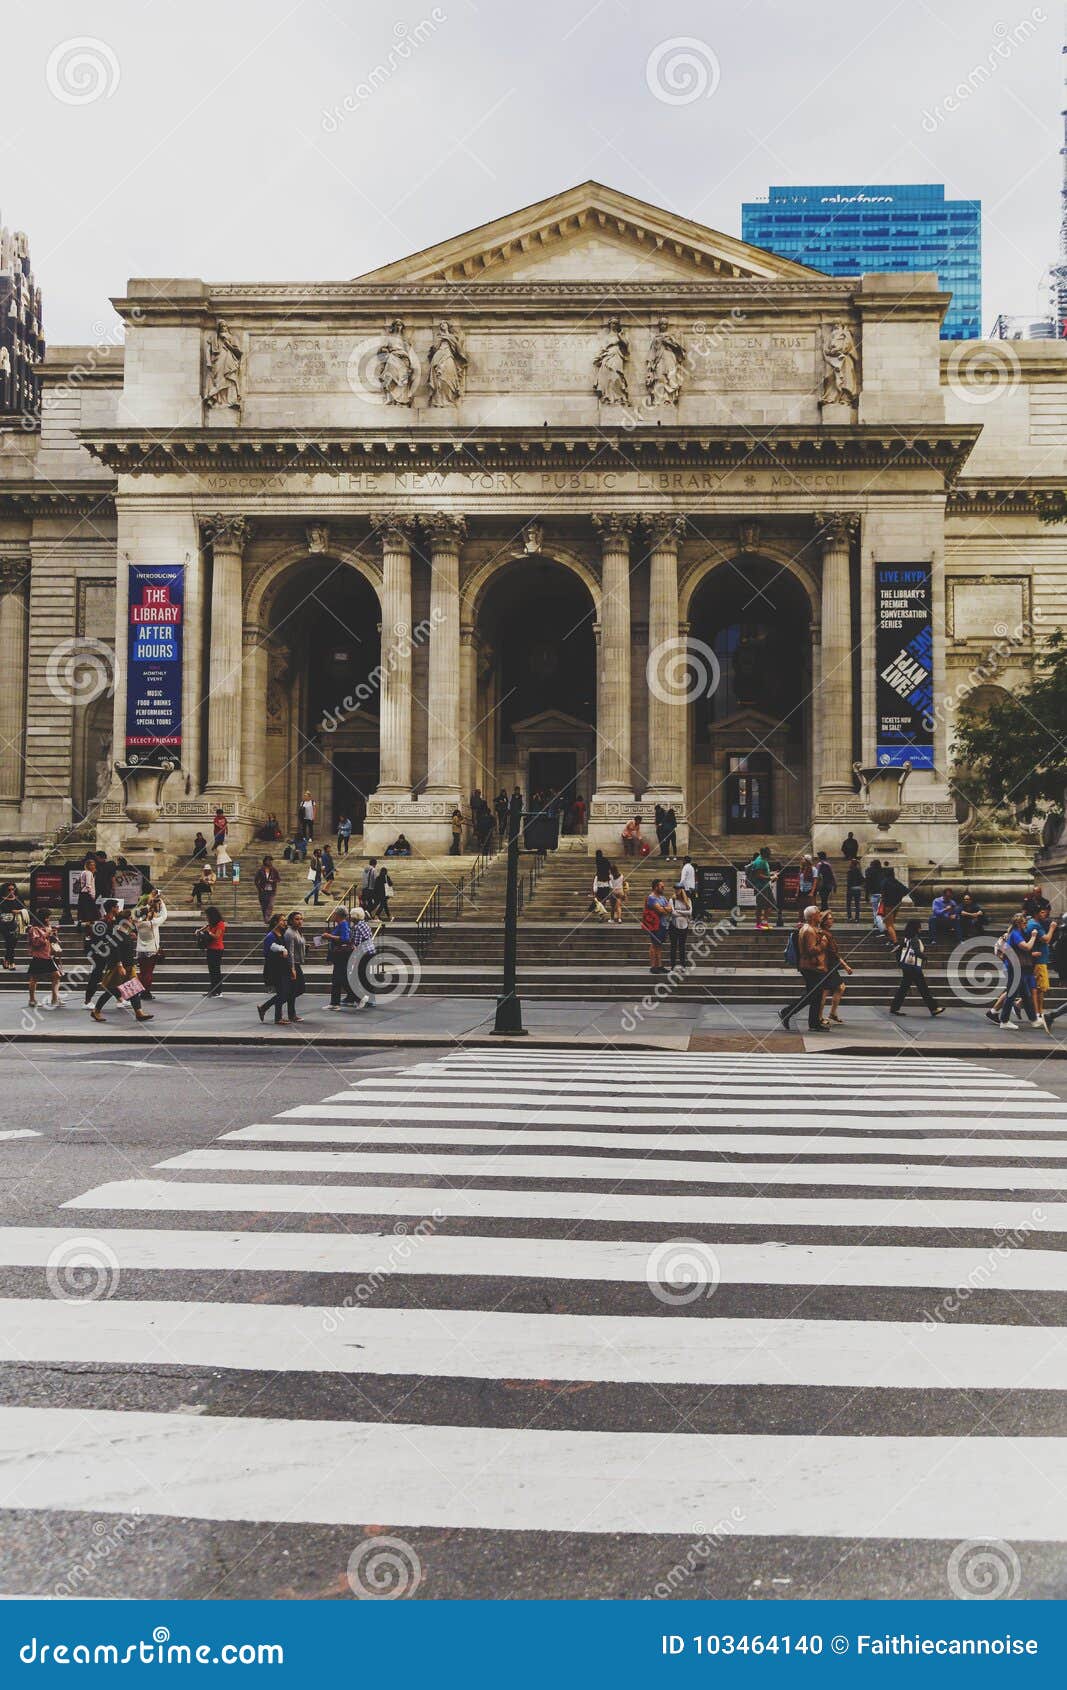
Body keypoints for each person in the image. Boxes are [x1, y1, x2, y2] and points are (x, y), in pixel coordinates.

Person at [90, 910, 153, 1025]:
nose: (131, 920)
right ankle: (96, 1010)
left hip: (128, 966)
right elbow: (116, 950)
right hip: (120, 967)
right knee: (112, 990)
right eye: (130, 919)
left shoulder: (125, 933)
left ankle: (139, 1012)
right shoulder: (117, 934)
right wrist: (119, 965)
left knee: (133, 990)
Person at [779, 906, 830, 1032]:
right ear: (812, 916)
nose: (820, 916)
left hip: (811, 966)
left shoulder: (810, 929)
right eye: (818, 914)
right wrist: (823, 943)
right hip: (810, 966)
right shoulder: (809, 930)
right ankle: (786, 1011)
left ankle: (814, 1023)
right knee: (813, 994)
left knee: (816, 995)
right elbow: (811, 950)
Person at [890, 920, 946, 1018]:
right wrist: (925, 957)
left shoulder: (907, 938)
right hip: (913, 967)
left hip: (907, 966)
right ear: (916, 928)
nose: (920, 928)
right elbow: (916, 952)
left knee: (904, 988)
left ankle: (894, 1008)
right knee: (923, 988)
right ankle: (934, 1008)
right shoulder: (914, 939)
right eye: (919, 926)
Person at [996, 910, 1042, 1031]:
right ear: (1018, 924)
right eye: (1024, 922)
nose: (1026, 924)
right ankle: (1004, 1020)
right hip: (1015, 968)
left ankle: (1034, 1020)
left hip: (1018, 967)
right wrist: (1033, 936)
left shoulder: (1016, 933)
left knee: (1025, 995)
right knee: (1011, 994)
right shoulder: (1015, 934)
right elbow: (1026, 947)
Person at [257, 915, 293, 1026]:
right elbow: (271, 947)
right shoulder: (270, 935)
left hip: (282, 966)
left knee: (284, 992)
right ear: (275, 922)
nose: (284, 922)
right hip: (274, 968)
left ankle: (265, 1008)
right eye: (282, 920)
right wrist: (282, 949)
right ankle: (276, 1017)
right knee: (282, 992)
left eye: (284, 920)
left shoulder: (282, 934)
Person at [820, 910, 853, 1024]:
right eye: (829, 918)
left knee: (840, 987)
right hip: (827, 966)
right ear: (824, 921)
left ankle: (832, 1013)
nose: (832, 920)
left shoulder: (827, 933)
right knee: (825, 991)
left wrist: (845, 966)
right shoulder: (825, 934)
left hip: (830, 965)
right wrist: (845, 966)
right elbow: (833, 953)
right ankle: (820, 1016)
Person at [133, 890, 167, 1000]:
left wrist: (148, 906)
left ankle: (139, 991)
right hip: (151, 950)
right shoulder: (152, 923)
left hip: (140, 950)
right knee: (148, 973)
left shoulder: (138, 924)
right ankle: (145, 992)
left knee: (142, 972)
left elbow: (136, 913)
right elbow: (164, 915)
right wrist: (161, 902)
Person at [323, 906, 359, 1008]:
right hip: (341, 955)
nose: (333, 915)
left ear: (338, 915)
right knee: (339, 978)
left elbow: (345, 939)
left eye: (334, 913)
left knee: (339, 978)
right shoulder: (342, 924)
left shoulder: (343, 924)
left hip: (342, 955)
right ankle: (337, 1002)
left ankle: (354, 997)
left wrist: (329, 936)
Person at [26, 909, 61, 1011]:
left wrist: (54, 934)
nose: (48, 919)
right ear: (43, 918)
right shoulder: (34, 929)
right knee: (34, 978)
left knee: (56, 976)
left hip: (48, 955)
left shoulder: (47, 927)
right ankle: (32, 999)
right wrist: (46, 934)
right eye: (47, 917)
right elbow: (35, 943)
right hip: (38, 956)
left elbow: (53, 941)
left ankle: (54, 999)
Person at [349, 904, 378, 1009]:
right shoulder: (364, 924)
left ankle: (369, 999)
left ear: (355, 916)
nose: (350, 917)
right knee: (362, 976)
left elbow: (357, 942)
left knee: (362, 976)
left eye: (351, 915)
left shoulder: (358, 926)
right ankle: (357, 997)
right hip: (370, 951)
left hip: (364, 953)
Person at [283, 910, 307, 1023]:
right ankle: (291, 1014)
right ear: (291, 921)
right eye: (297, 919)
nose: (299, 921)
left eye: (301, 919)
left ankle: (291, 1014)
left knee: (296, 990)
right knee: (298, 989)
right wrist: (292, 968)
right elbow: (290, 952)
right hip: (293, 965)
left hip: (297, 963)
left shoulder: (298, 931)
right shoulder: (290, 933)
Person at [642, 879, 671, 974]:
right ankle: (653, 966)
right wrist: (665, 909)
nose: (663, 888)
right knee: (654, 944)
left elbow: (670, 908)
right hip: (655, 924)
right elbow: (661, 911)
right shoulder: (651, 898)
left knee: (659, 945)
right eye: (661, 886)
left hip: (663, 924)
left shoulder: (662, 897)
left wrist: (664, 909)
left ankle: (659, 965)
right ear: (656, 887)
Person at [198, 905, 226, 998]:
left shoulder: (220, 924)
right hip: (210, 948)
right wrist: (199, 931)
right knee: (211, 971)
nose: (207, 917)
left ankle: (218, 991)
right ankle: (212, 990)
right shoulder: (211, 923)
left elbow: (217, 936)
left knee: (216, 971)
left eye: (208, 915)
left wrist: (208, 932)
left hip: (217, 949)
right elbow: (202, 929)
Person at [878, 865, 909, 947]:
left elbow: (882, 892)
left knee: (888, 924)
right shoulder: (896, 882)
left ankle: (895, 942)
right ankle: (891, 939)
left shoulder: (884, 881)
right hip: (896, 904)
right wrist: (898, 896)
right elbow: (906, 890)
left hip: (888, 905)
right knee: (891, 923)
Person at [746, 846, 774, 930]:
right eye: (769, 853)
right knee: (760, 906)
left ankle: (764, 922)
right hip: (761, 887)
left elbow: (763, 872)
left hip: (765, 886)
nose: (770, 854)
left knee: (769, 904)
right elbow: (759, 875)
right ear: (765, 853)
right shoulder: (760, 861)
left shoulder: (762, 860)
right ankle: (759, 924)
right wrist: (770, 878)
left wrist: (771, 873)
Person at [0, 882, 24, 970]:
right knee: (9, 940)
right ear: (4, 890)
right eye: (9, 890)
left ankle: (6, 959)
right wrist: (15, 911)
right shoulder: (1, 899)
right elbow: (5, 909)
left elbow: (23, 908)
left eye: (13, 889)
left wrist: (19, 911)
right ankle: (11, 962)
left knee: (13, 942)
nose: (11, 891)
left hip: (16, 923)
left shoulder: (18, 898)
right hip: (4, 923)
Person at [669, 884, 692, 971]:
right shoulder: (672, 900)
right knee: (673, 946)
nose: (676, 891)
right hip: (674, 925)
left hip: (684, 926)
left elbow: (690, 912)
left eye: (678, 889)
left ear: (682, 890)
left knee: (682, 946)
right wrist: (683, 912)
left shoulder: (688, 900)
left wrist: (678, 911)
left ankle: (683, 965)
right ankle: (673, 965)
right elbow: (672, 913)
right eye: (675, 889)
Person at [254, 856, 280, 924]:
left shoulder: (274, 870)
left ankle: (267, 918)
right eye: (268, 860)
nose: (270, 862)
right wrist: (259, 888)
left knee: (270, 904)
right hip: (263, 890)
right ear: (265, 861)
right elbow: (256, 880)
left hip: (272, 890)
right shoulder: (261, 870)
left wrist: (273, 881)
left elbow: (278, 879)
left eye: (271, 861)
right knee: (264, 905)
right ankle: (266, 918)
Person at [864, 857, 884, 931]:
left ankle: (879, 927)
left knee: (875, 911)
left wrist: (866, 895)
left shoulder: (869, 872)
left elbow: (868, 885)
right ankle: (877, 924)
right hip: (881, 894)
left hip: (874, 894)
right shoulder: (882, 872)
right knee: (879, 911)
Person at [592, 851, 613, 917]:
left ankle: (601, 915)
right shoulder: (607, 875)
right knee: (603, 902)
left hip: (600, 889)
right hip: (606, 888)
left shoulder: (598, 875)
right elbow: (610, 883)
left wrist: (594, 891)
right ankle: (602, 914)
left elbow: (595, 884)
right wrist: (611, 888)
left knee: (599, 902)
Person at [845, 858, 864, 923]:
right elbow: (862, 880)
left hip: (851, 889)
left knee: (848, 904)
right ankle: (857, 918)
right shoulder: (859, 872)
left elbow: (849, 882)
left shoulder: (850, 872)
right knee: (857, 905)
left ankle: (850, 917)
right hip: (857, 889)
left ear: (852, 864)